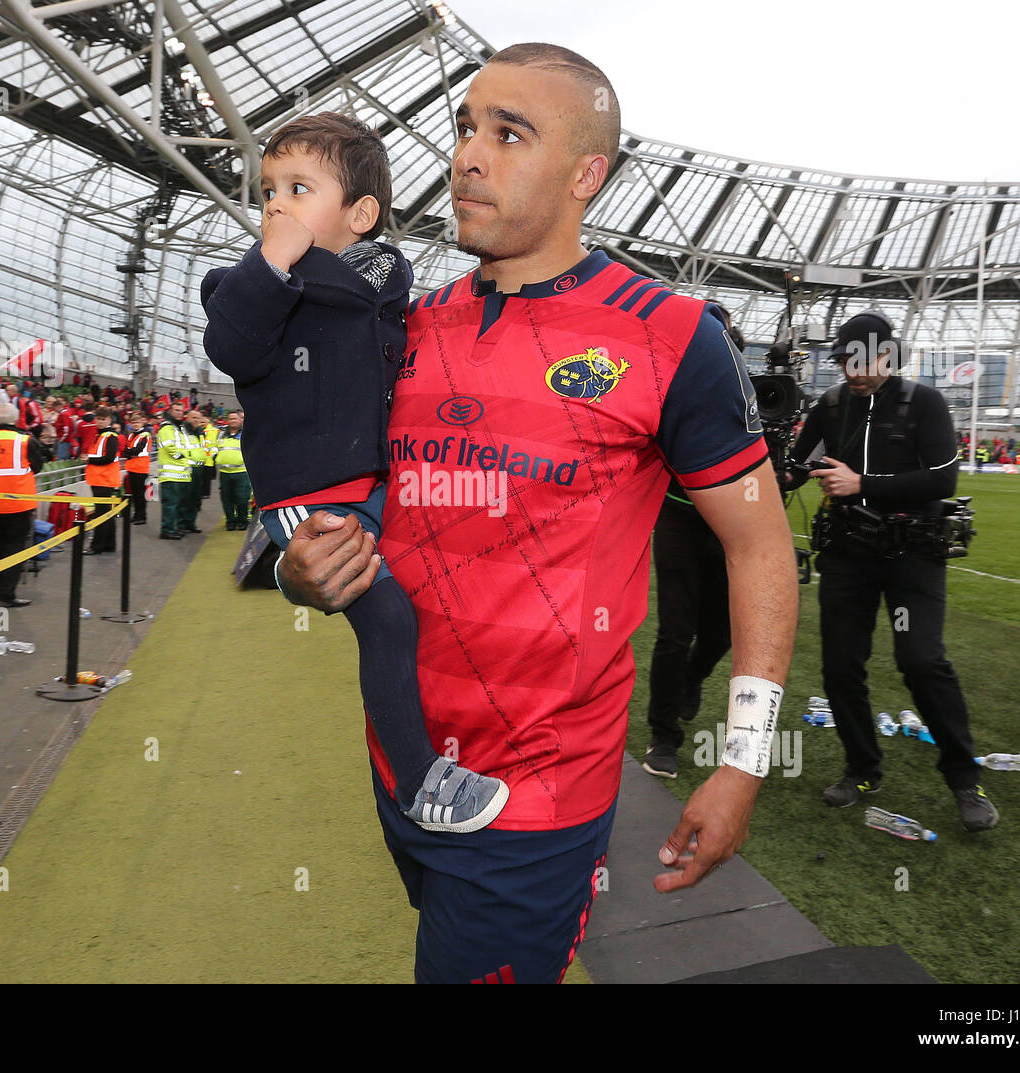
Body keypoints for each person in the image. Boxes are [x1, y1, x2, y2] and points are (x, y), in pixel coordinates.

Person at [264, 47, 799, 984]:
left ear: (586, 174)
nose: (469, 154)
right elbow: (348, 505)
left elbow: (759, 548)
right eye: (466, 126)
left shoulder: (672, 337)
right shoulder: (401, 326)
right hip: (403, 766)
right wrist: (298, 570)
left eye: (509, 134)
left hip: (534, 805)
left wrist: (744, 759)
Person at [203, 110, 512, 836]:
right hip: (308, 492)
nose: (275, 202)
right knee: (388, 616)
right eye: (268, 188)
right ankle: (419, 781)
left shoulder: (383, 288)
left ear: (361, 215)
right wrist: (271, 264)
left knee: (417, 608)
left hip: (373, 483)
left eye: (299, 187)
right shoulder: (246, 282)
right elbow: (234, 347)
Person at [784, 311, 997, 832]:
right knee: (840, 667)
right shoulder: (830, 406)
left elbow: (943, 479)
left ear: (890, 356)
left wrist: (864, 484)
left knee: (921, 660)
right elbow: (796, 464)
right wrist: (780, 469)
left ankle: (965, 780)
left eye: (864, 361)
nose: (853, 372)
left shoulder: (923, 402)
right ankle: (862, 768)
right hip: (848, 556)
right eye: (844, 362)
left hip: (911, 553)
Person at [642, 309, 755, 780]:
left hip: (730, 520)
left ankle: (692, 679)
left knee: (723, 631)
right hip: (679, 516)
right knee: (674, 632)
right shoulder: (668, 380)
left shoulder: (749, 390)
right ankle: (663, 736)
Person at [0, 401, 44, 607]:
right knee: (14, 549)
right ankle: (7, 594)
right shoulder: (25, 441)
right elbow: (37, 466)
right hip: (18, 505)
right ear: (14, 419)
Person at [84, 406, 121, 555]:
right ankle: (109, 544)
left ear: (109, 420)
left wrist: (89, 459)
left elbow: (109, 458)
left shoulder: (110, 436)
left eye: (103, 419)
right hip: (100, 479)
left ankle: (97, 546)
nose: (99, 421)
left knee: (101, 515)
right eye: (98, 419)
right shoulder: (100, 435)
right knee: (106, 514)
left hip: (104, 480)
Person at [155, 398, 192, 539]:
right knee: (170, 505)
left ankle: (172, 527)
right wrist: (180, 457)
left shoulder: (178, 428)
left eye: (181, 411)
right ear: (170, 411)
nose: (179, 413)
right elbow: (169, 445)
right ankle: (167, 530)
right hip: (170, 474)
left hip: (179, 473)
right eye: (176, 410)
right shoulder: (167, 427)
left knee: (176, 504)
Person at [214, 408, 250, 531]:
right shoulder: (220, 434)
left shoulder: (247, 434)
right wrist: (215, 456)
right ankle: (230, 521)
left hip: (241, 473)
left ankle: (242, 520)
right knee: (227, 499)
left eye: (235, 418)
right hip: (224, 473)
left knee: (242, 498)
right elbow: (214, 447)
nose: (233, 421)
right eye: (230, 418)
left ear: (240, 420)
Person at [179, 409, 206, 533]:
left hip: (199, 469)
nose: (195, 420)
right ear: (187, 418)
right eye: (193, 417)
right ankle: (182, 524)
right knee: (185, 499)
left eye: (198, 418)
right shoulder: (182, 431)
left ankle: (191, 523)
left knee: (195, 498)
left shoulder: (200, 432)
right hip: (187, 469)